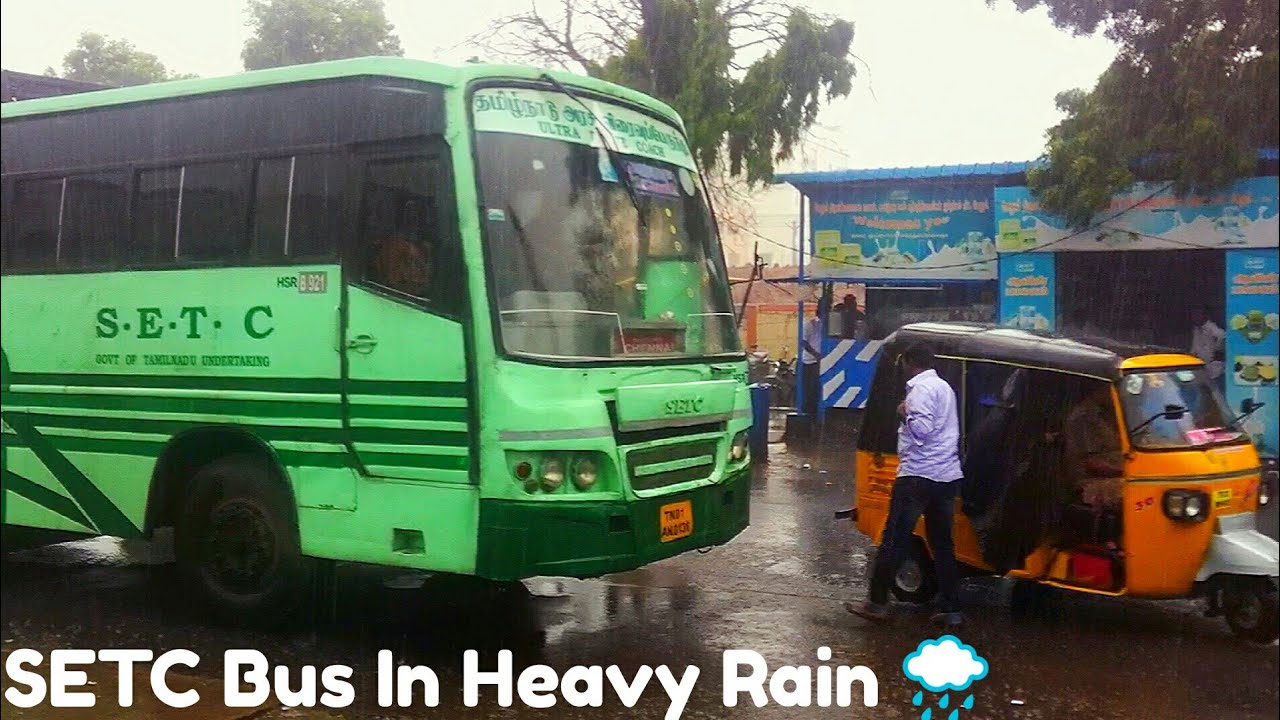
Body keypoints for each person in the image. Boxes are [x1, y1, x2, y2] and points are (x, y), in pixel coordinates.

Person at [846, 344, 965, 627]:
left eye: (902, 362)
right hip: (945, 476)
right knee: (943, 544)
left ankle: (876, 603)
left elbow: (922, 431)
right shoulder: (945, 388)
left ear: (910, 362)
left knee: (894, 540)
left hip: (918, 476)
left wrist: (904, 412)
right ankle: (952, 608)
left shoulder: (921, 390)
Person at [1061, 382, 1125, 542]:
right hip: (1089, 482)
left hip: (1120, 473)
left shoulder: (1116, 412)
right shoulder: (1083, 418)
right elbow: (1090, 463)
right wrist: (1130, 470)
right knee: (1138, 493)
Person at [1190, 305, 1226, 381]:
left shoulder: (1211, 327)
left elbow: (1222, 336)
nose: (1195, 317)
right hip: (1200, 365)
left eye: (1197, 315)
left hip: (1213, 366)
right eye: (1194, 315)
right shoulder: (1196, 329)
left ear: (1204, 315)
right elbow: (1195, 346)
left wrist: (1218, 349)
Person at [800, 314, 823, 415]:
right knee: (811, 389)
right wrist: (816, 355)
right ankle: (809, 412)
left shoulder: (828, 324)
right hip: (810, 361)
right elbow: (803, 342)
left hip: (823, 360)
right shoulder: (810, 324)